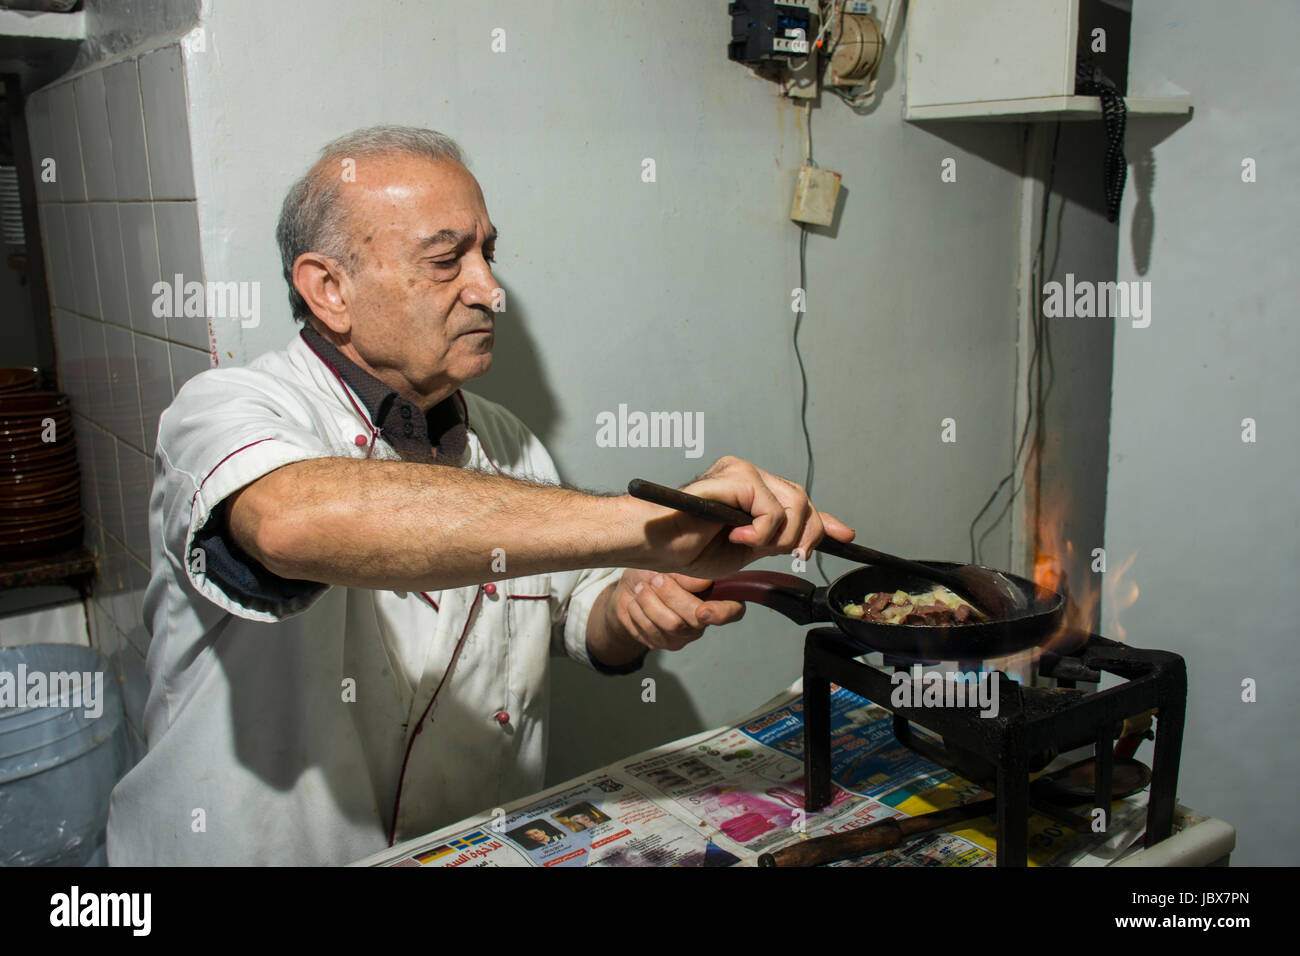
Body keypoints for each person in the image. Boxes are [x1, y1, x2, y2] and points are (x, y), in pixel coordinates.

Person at [105, 126, 852, 865]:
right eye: (445, 260)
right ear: (329, 288)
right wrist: (652, 524)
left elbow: (578, 611)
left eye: (487, 252)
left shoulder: (508, 440)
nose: (491, 290)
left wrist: (633, 605)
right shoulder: (227, 409)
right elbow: (292, 524)